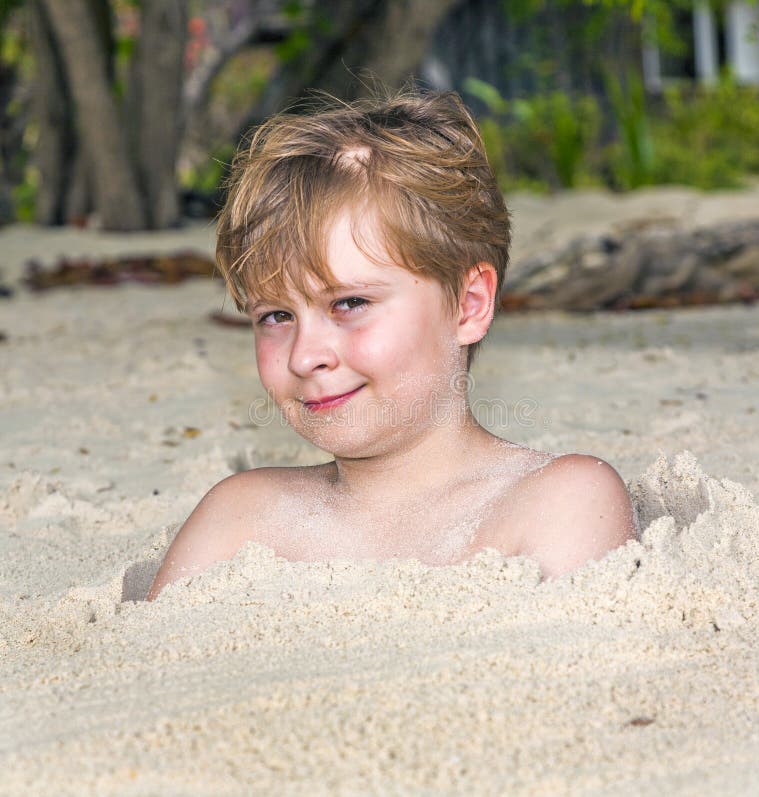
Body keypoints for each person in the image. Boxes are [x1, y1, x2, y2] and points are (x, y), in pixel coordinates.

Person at [146, 88, 637, 601]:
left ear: (468, 305)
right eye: (276, 315)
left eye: (350, 304)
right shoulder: (241, 516)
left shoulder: (559, 501)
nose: (304, 355)